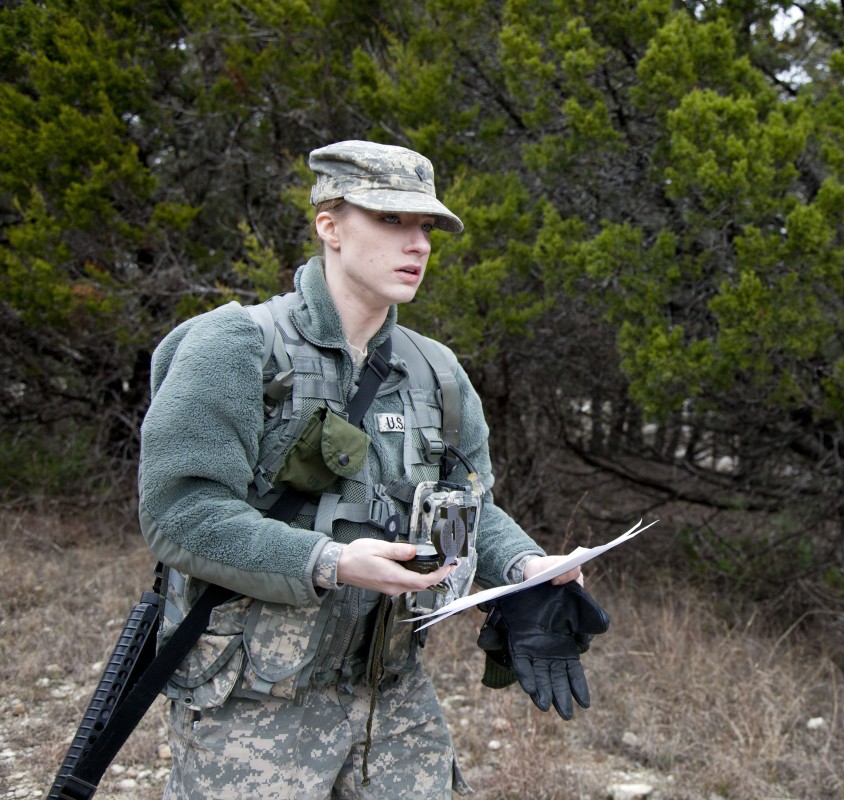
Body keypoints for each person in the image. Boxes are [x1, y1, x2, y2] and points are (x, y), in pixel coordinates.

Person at [138, 140, 595, 799]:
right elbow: (181, 513)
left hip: (391, 694)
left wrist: (525, 567)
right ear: (329, 225)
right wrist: (331, 561)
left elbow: (469, 507)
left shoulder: (436, 371)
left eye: (426, 226)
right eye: (391, 220)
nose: (418, 244)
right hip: (256, 703)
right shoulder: (235, 346)